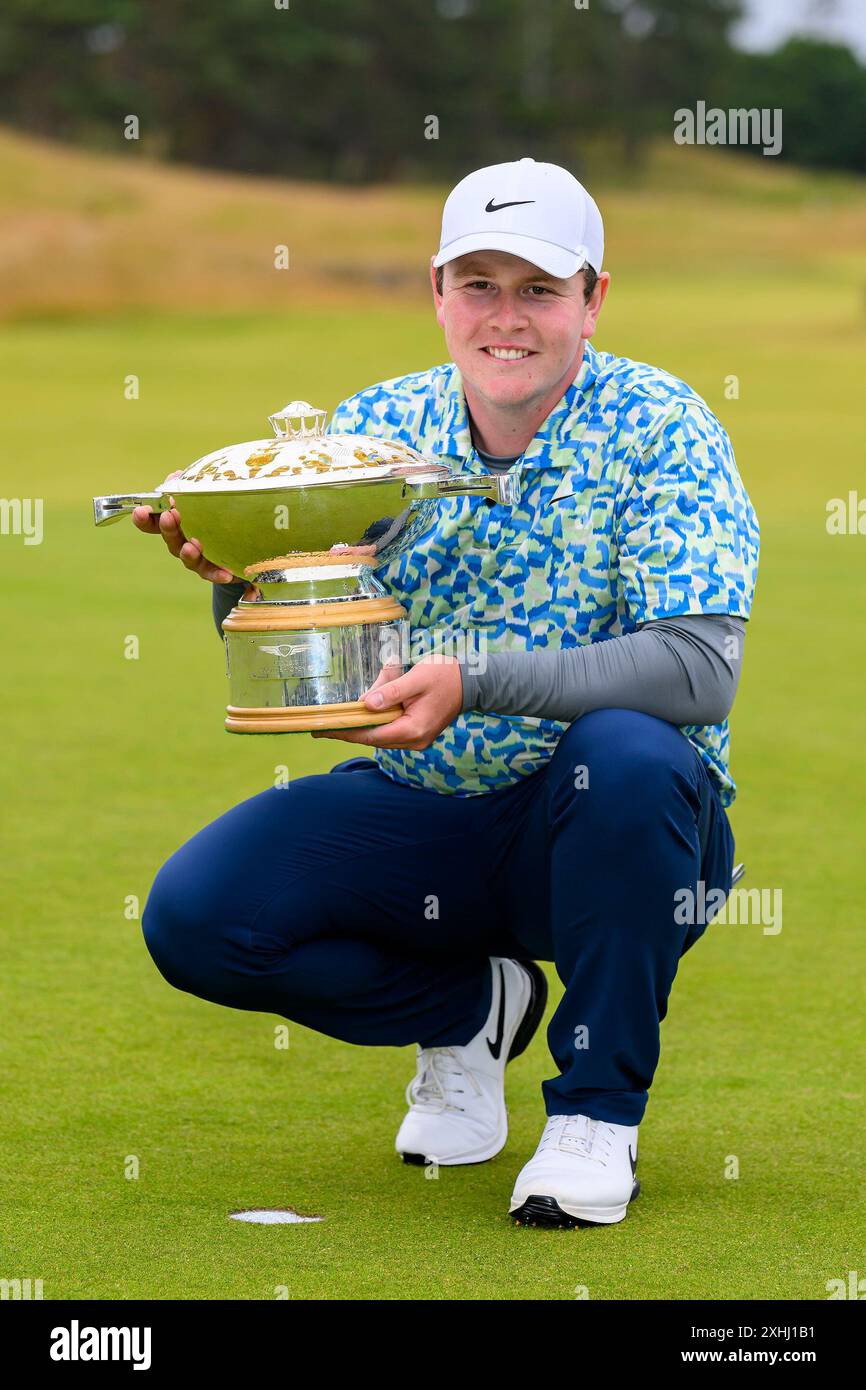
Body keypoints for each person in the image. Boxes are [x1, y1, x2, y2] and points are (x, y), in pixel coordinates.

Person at [134, 157, 759, 1228]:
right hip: (425, 815)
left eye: (537, 288)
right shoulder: (373, 425)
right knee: (197, 918)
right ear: (435, 290)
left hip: (610, 838)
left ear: (593, 298)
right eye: (477, 284)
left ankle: (594, 1117)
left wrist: (473, 681)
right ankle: (474, 1008)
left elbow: (698, 668)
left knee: (629, 750)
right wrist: (248, 577)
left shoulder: (662, 423)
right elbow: (332, 672)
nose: (503, 317)